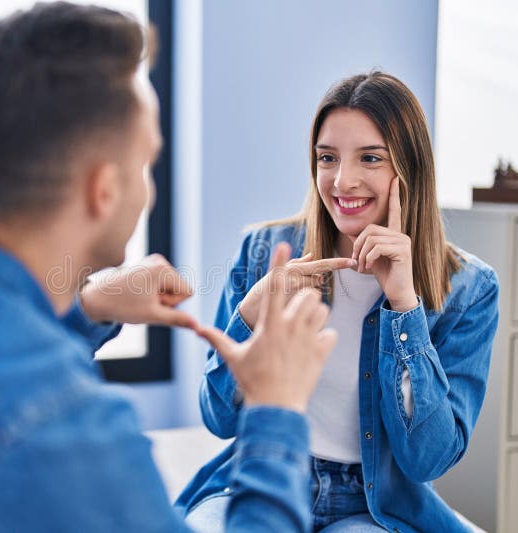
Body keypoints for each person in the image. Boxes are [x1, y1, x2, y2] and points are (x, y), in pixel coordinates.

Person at [0, 3, 340, 532]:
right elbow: (12, 400)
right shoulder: (65, 427)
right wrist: (277, 406)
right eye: (147, 164)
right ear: (103, 189)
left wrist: (89, 306)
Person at [178, 72, 499, 533]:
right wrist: (252, 312)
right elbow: (218, 418)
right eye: (327, 158)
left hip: (369, 507)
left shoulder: (469, 289)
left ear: (409, 169)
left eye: (370, 158)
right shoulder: (265, 251)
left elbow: (428, 459)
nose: (342, 181)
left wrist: (403, 306)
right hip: (264, 475)